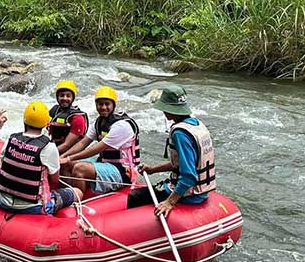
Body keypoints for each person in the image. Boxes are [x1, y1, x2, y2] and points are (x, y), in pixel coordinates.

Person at [127, 83, 215, 217]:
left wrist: (169, 202)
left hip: (190, 195)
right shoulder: (196, 124)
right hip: (201, 192)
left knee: (135, 196)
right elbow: (181, 163)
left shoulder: (180, 134)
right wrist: (152, 169)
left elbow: (189, 176)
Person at [0, 101, 82, 215]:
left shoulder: (11, 139)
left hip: (2, 201)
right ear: (46, 124)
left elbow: (4, 163)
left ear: (24, 120)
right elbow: (55, 180)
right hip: (33, 206)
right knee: (77, 192)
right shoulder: (49, 147)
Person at [60, 86, 140, 197]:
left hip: (123, 171)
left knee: (79, 168)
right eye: (100, 104)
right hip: (104, 161)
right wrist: (63, 157)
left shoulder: (122, 126)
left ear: (113, 106)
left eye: (107, 104)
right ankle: (68, 195)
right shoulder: (99, 122)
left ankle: (78, 201)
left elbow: (97, 148)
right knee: (67, 164)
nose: (103, 107)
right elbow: (83, 143)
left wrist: (69, 158)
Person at [46, 80, 88, 155]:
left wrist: (47, 153)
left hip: (70, 154)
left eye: (68, 96)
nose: (65, 98)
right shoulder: (54, 111)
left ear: (73, 98)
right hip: (55, 148)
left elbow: (67, 145)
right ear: (57, 97)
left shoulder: (78, 118)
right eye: (62, 95)